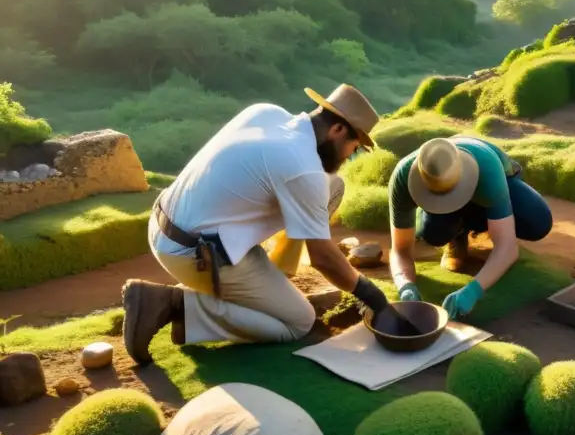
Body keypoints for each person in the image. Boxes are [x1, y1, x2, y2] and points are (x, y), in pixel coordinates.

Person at [120, 83, 391, 366]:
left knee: (332, 186)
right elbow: (323, 257)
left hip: (166, 221)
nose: (351, 155)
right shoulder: (302, 168)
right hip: (195, 254)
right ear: (337, 130)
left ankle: (279, 270)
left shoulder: (266, 113)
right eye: (355, 146)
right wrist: (370, 294)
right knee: (299, 321)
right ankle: (174, 305)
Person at [388, 136, 553, 319]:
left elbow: (507, 248)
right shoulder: (402, 178)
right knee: (434, 232)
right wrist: (405, 285)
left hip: (496, 181)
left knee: (538, 221)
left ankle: (499, 221)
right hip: (453, 208)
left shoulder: (488, 169)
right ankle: (457, 236)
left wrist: (473, 291)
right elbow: (400, 250)